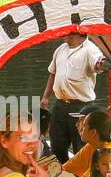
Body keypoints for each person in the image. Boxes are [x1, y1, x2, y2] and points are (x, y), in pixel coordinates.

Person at [40, 27, 106, 162]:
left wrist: (100, 64)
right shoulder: (61, 49)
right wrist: (45, 97)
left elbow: (98, 63)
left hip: (80, 106)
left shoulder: (90, 49)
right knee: (56, 140)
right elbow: (53, 73)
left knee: (80, 144)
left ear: (77, 32)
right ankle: (60, 174)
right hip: (60, 103)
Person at [61, 108, 111, 177]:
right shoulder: (91, 146)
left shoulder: (107, 153)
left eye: (84, 125)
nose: (79, 126)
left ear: (93, 132)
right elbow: (65, 168)